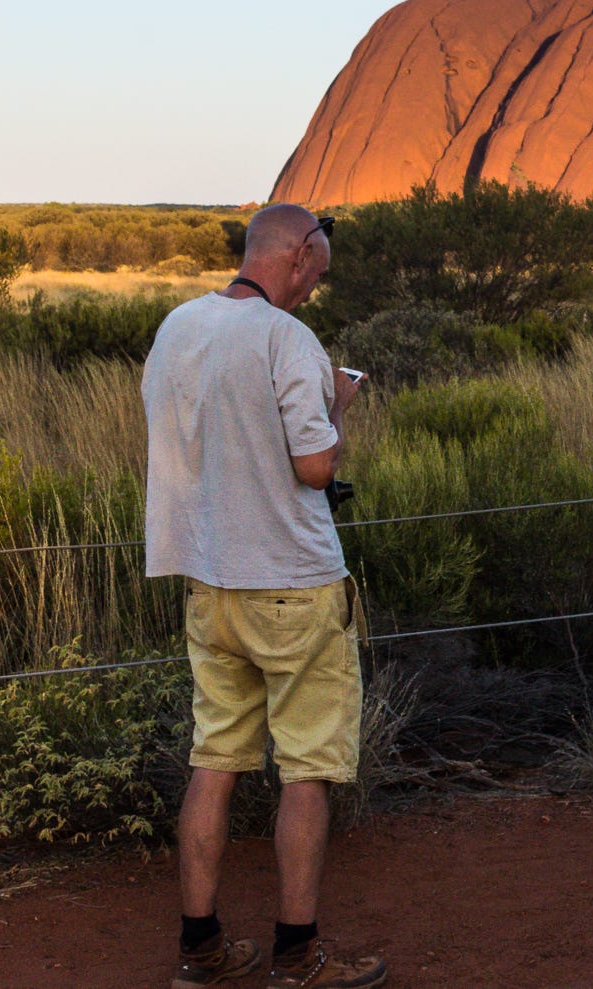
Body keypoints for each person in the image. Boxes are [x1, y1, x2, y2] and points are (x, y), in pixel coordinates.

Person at [143, 204, 387, 989]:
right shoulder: (289, 338)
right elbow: (315, 467)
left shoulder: (177, 327)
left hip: (207, 582)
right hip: (293, 584)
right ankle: (297, 955)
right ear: (300, 252)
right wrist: (339, 404)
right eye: (319, 269)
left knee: (213, 761)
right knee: (307, 770)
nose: (317, 285)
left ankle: (201, 949)